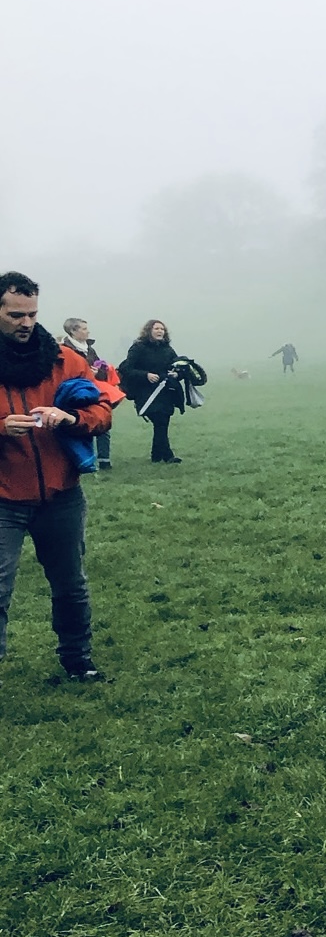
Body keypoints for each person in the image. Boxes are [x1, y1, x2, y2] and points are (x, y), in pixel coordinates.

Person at [0, 273, 114, 681]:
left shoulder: (65, 360)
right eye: (15, 315)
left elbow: (103, 410)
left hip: (61, 494)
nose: (26, 323)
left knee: (71, 585)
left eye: (32, 314)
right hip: (4, 499)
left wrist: (72, 418)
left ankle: (78, 660)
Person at [118, 320, 205, 464]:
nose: (160, 331)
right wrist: (146, 375)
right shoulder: (138, 348)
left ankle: (157, 456)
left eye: (162, 329)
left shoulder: (168, 349)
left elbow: (176, 367)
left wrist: (177, 374)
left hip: (165, 392)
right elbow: (127, 369)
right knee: (160, 422)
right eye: (156, 328)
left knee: (162, 423)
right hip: (145, 393)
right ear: (149, 331)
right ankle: (168, 455)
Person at [59, 319, 116, 472]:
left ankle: (104, 460)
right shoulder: (63, 350)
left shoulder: (90, 350)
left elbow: (101, 369)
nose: (87, 331)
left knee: (102, 422)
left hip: (94, 391)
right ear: (73, 331)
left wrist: (99, 372)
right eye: (84, 329)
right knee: (79, 426)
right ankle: (81, 460)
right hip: (75, 394)